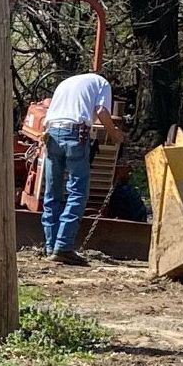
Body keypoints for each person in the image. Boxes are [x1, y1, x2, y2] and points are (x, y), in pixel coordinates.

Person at [40, 72, 123, 265]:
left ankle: (50, 246)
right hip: (75, 133)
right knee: (77, 191)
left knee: (52, 192)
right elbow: (102, 111)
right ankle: (63, 246)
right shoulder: (102, 83)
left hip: (52, 133)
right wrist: (114, 134)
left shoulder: (66, 82)